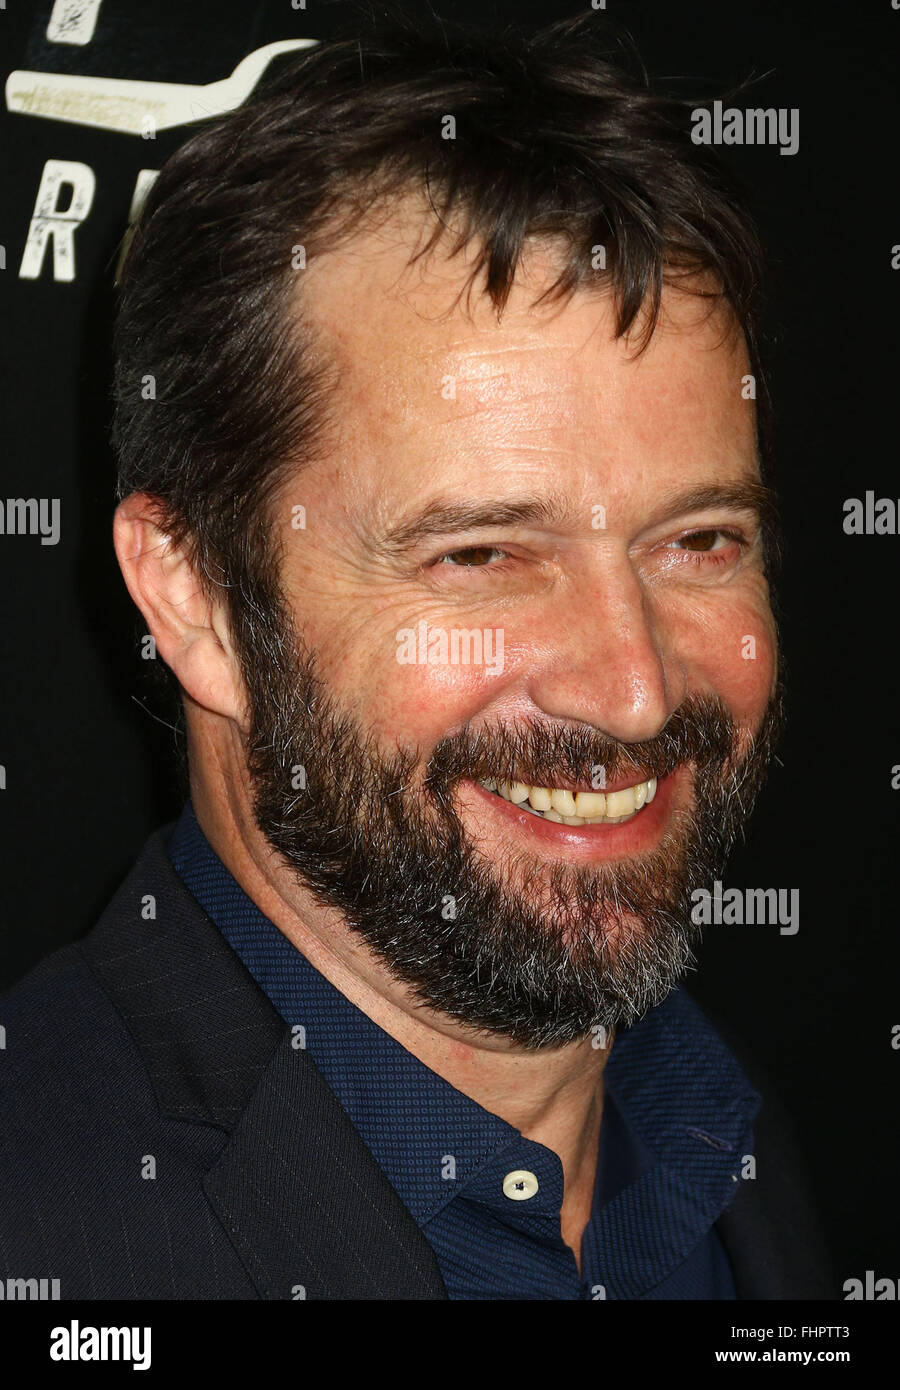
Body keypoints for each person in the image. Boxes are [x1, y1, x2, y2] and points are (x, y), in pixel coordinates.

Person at [0, 11, 833, 1300]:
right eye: (484, 555)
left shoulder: (717, 1127)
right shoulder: (48, 1229)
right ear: (196, 600)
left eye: (700, 539)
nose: (636, 688)